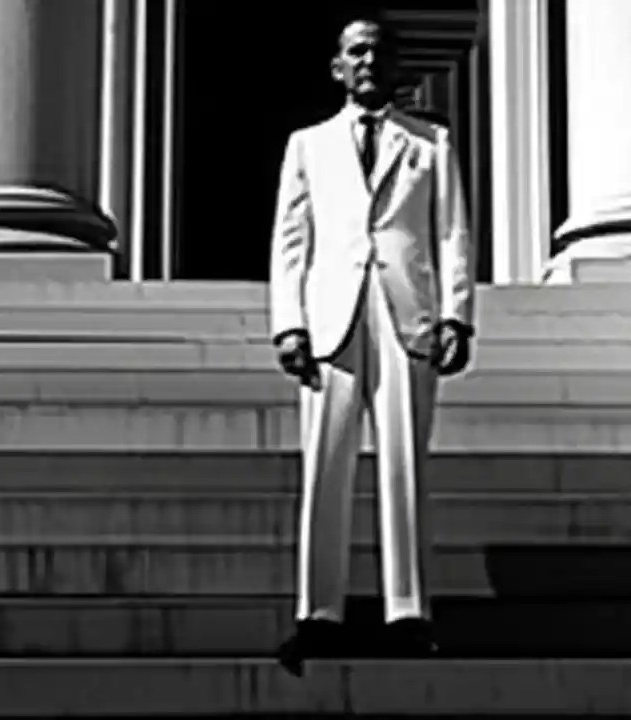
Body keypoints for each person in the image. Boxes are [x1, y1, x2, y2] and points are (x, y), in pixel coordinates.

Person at [268, 15, 476, 673]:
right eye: (356, 51)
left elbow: (452, 233)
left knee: (403, 465)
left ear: (394, 66)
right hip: (331, 316)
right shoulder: (308, 145)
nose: (367, 61)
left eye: (378, 52)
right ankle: (318, 613)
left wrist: (457, 315)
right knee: (324, 467)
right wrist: (289, 323)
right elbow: (291, 241)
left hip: (406, 315)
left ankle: (408, 612)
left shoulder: (432, 141)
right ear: (337, 66)